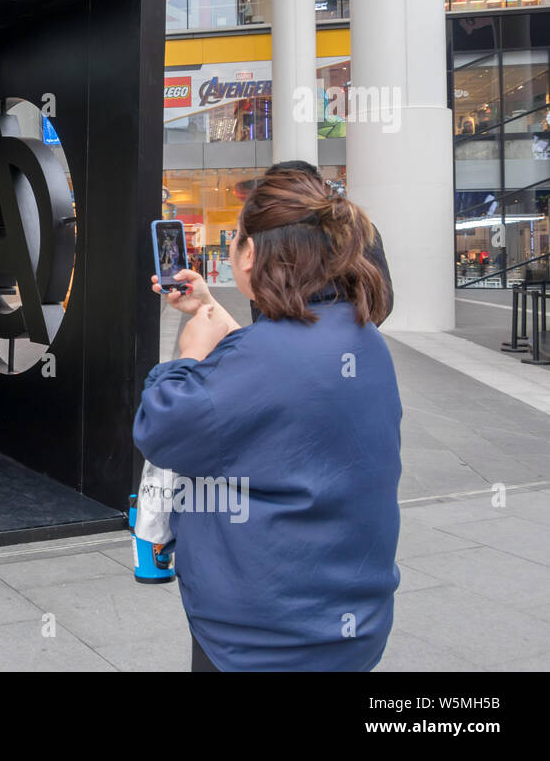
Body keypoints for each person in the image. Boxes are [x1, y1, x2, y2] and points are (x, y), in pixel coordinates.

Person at [137, 169, 400, 671]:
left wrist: (187, 359)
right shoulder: (364, 338)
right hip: (352, 623)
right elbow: (282, 380)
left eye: (235, 237)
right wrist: (213, 312)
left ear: (251, 252)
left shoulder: (263, 357)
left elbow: (161, 428)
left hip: (262, 639)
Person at [243, 160, 393, 324]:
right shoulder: (271, 234)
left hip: (323, 338)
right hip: (333, 339)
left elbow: (381, 296)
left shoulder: (358, 230)